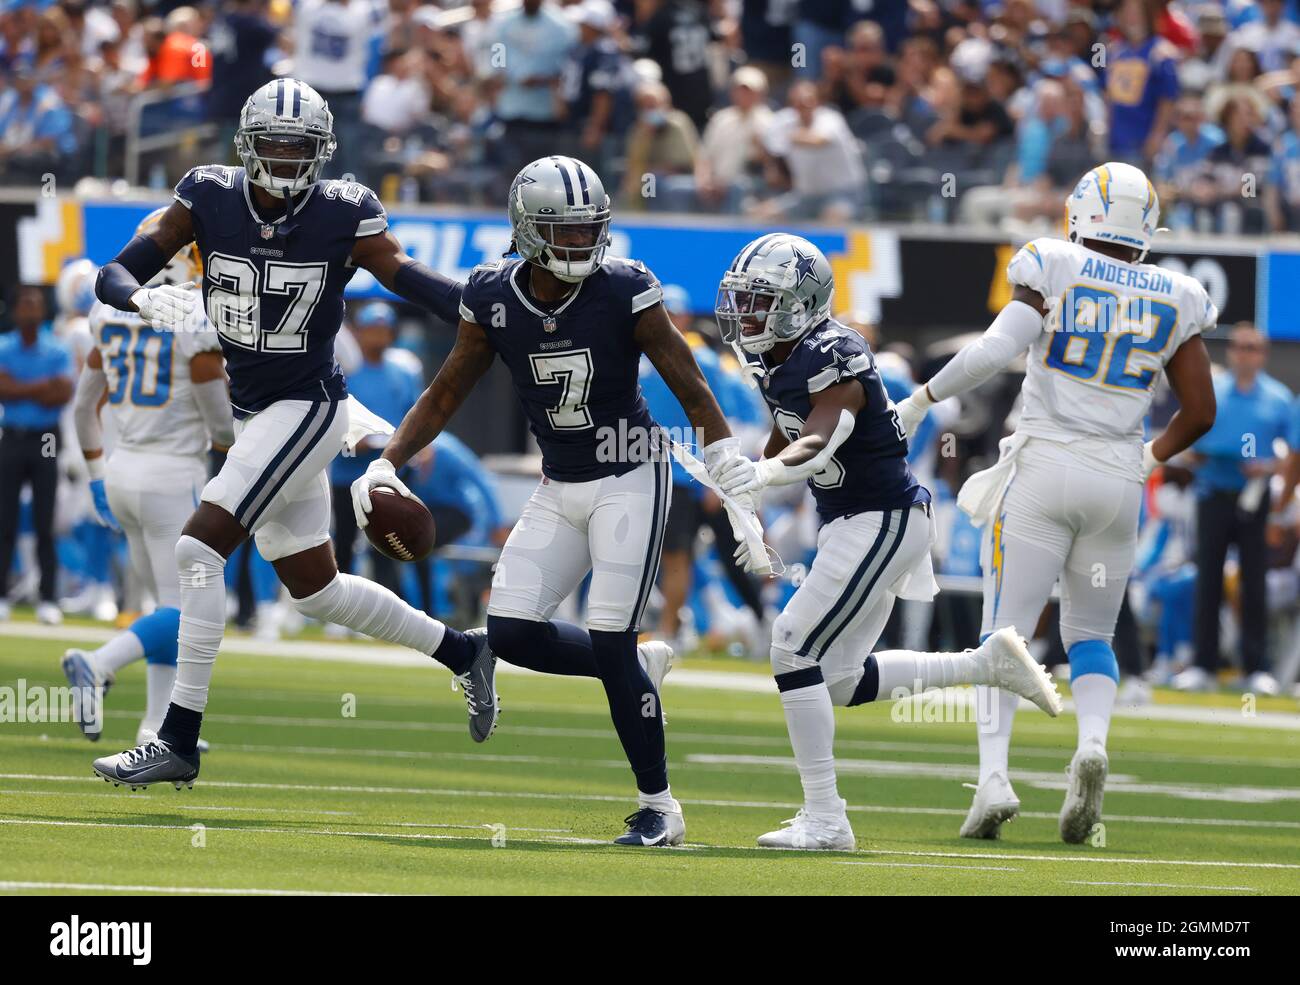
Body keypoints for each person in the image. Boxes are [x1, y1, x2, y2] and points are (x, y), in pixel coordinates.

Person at [88, 78, 481, 791]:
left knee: (197, 547)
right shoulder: (206, 194)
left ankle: (177, 738)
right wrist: (144, 297)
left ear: (323, 151)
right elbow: (112, 272)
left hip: (306, 406)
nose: (288, 158)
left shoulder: (343, 210)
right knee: (315, 590)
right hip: (254, 411)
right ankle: (462, 650)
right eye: (275, 143)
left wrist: (476, 303)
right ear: (247, 144)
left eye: (302, 147)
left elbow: (401, 274)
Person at [353, 155, 747, 846]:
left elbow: (686, 378)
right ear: (528, 231)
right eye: (564, 231)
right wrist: (386, 462)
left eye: (589, 228)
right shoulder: (493, 296)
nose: (580, 243)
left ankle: (660, 805)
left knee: (609, 634)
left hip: (632, 472)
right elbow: (446, 391)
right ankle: (635, 664)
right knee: (509, 632)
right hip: (559, 478)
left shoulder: (624, 286)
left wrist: (723, 456)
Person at [896, 162, 1218, 843]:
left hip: (1045, 464)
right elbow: (1201, 410)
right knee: (1092, 635)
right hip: (1118, 476)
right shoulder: (1178, 292)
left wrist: (923, 398)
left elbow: (995, 349)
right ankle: (1092, 742)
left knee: (1002, 634)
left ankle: (993, 777)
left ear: (1082, 213)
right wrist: (1148, 458)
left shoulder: (1056, 262)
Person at [712, 234, 1063, 851]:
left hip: (883, 517)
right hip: (858, 520)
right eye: (744, 300)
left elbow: (822, 436)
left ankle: (826, 818)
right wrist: (751, 499)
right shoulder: (777, 357)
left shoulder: (833, 350)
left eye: (760, 301)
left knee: (792, 648)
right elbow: (787, 428)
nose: (747, 315)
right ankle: (984, 663)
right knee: (839, 680)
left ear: (801, 303)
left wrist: (764, 474)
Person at [62, 209, 236, 746]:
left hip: (121, 471)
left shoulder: (104, 314)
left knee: (166, 603)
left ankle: (154, 726)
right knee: (190, 612)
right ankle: (100, 662)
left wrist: (95, 477)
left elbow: (84, 408)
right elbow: (221, 427)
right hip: (172, 476)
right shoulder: (193, 319)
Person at [1175, 323, 1289, 696]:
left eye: (1253, 348)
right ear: (1231, 352)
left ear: (1263, 355)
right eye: (1240, 347)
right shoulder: (1214, 392)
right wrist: (1200, 456)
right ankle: (1203, 665)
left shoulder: (1278, 398)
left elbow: (1290, 455)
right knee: (1207, 579)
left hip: (1253, 499)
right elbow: (1188, 443)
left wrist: (1267, 466)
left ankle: (1256, 668)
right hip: (1213, 495)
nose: (1245, 354)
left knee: (1253, 582)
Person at [329, 301, 422, 598]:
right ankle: (340, 609)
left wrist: (422, 448)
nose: (378, 337)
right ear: (358, 332)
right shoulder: (346, 370)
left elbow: (417, 414)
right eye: (372, 330)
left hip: (390, 471)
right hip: (349, 470)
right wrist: (350, 440)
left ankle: (387, 607)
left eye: (384, 330)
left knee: (389, 542)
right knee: (344, 540)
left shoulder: (404, 371)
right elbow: (332, 415)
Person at [0, 285, 73, 625]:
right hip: (12, 435)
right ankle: (2, 594)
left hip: (45, 436)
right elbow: (3, 390)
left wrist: (19, 389)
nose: (32, 310)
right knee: (5, 518)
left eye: (37, 304)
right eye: (26, 304)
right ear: (15, 311)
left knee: (45, 517)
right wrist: (39, 388)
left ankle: (47, 597)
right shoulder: (4, 346)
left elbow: (60, 395)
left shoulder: (56, 348)